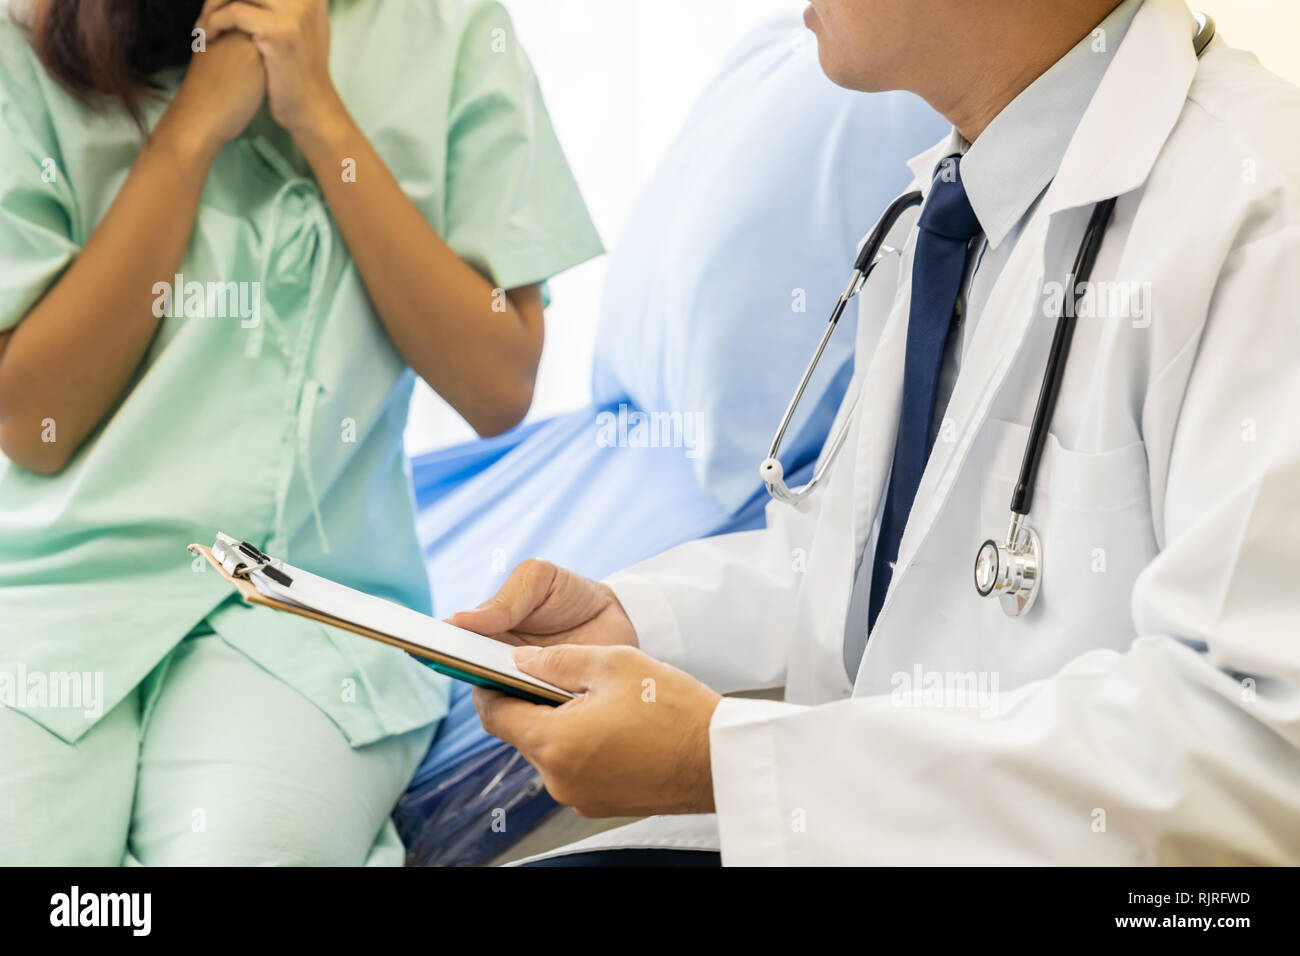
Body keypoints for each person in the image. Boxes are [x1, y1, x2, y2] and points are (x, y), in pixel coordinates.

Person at [453, 0, 1300, 865]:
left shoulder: (1261, 216)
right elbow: (862, 567)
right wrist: (638, 622)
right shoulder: (953, 200)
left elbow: (1257, 744)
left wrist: (724, 762)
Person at [0, 0, 601, 865]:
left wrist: (320, 114)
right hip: (54, 597)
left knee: (251, 851)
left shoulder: (451, 27)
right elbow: (34, 425)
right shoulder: (26, 33)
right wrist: (194, 127)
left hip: (305, 614)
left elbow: (496, 383)